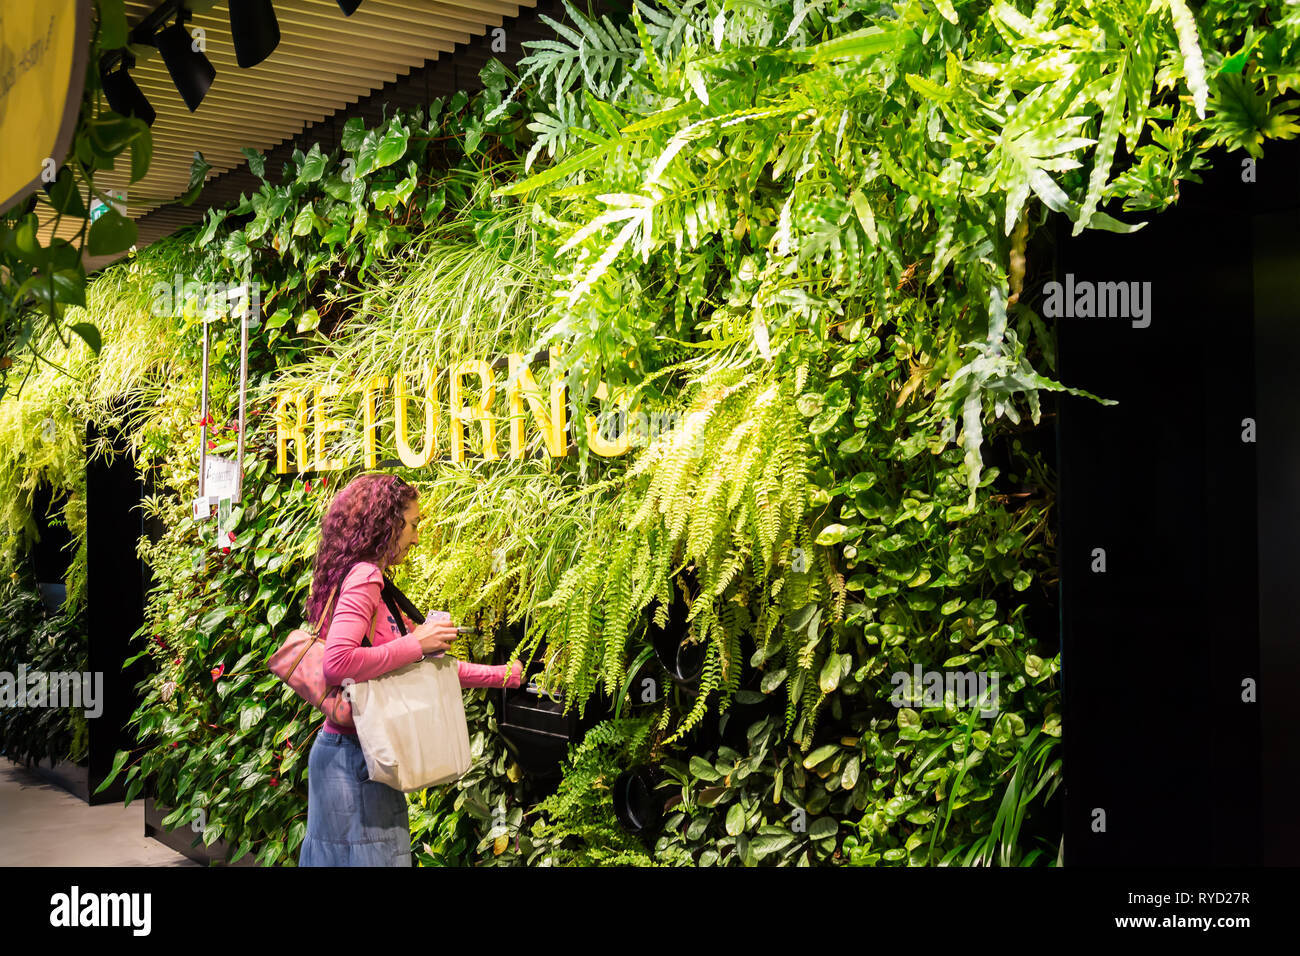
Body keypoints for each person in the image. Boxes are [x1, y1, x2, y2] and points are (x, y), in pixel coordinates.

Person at [298, 472, 521, 867]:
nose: (416, 538)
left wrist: (503, 675)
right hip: (356, 761)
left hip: (357, 755)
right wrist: (417, 643)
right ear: (387, 523)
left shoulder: (364, 577)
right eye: (413, 525)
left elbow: (421, 673)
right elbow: (337, 664)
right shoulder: (366, 577)